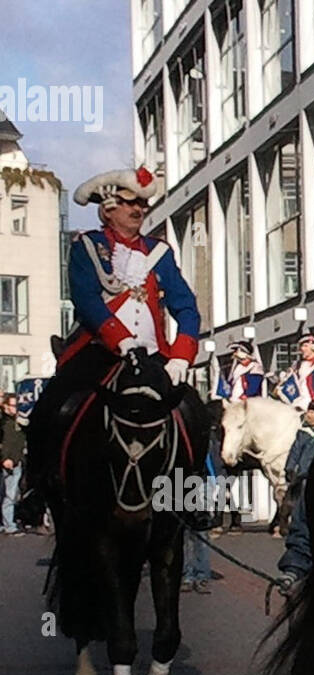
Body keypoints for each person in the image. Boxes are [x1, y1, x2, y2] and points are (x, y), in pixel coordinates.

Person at [23, 166, 201, 516]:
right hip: (100, 351)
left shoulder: (159, 253)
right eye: (128, 204)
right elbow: (87, 300)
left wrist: (181, 355)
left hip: (152, 356)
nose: (138, 211)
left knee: (192, 409)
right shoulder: (88, 247)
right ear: (108, 209)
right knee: (55, 403)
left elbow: (186, 307)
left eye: (142, 206)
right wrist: (121, 342)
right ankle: (39, 486)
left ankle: (187, 497)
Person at [277, 400, 314, 585]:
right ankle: (294, 566)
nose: (309, 415)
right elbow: (294, 452)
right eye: (308, 411)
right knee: (299, 518)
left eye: (313, 412)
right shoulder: (304, 433)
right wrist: (290, 468)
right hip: (303, 479)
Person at [2, 393, 24, 535]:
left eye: (17, 405)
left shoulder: (17, 422)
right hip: (9, 463)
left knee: (12, 493)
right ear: (5, 406)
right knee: (9, 495)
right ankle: (9, 525)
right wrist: (4, 458)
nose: (15, 408)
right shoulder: (4, 423)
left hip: (17, 461)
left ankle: (8, 522)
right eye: (12, 405)